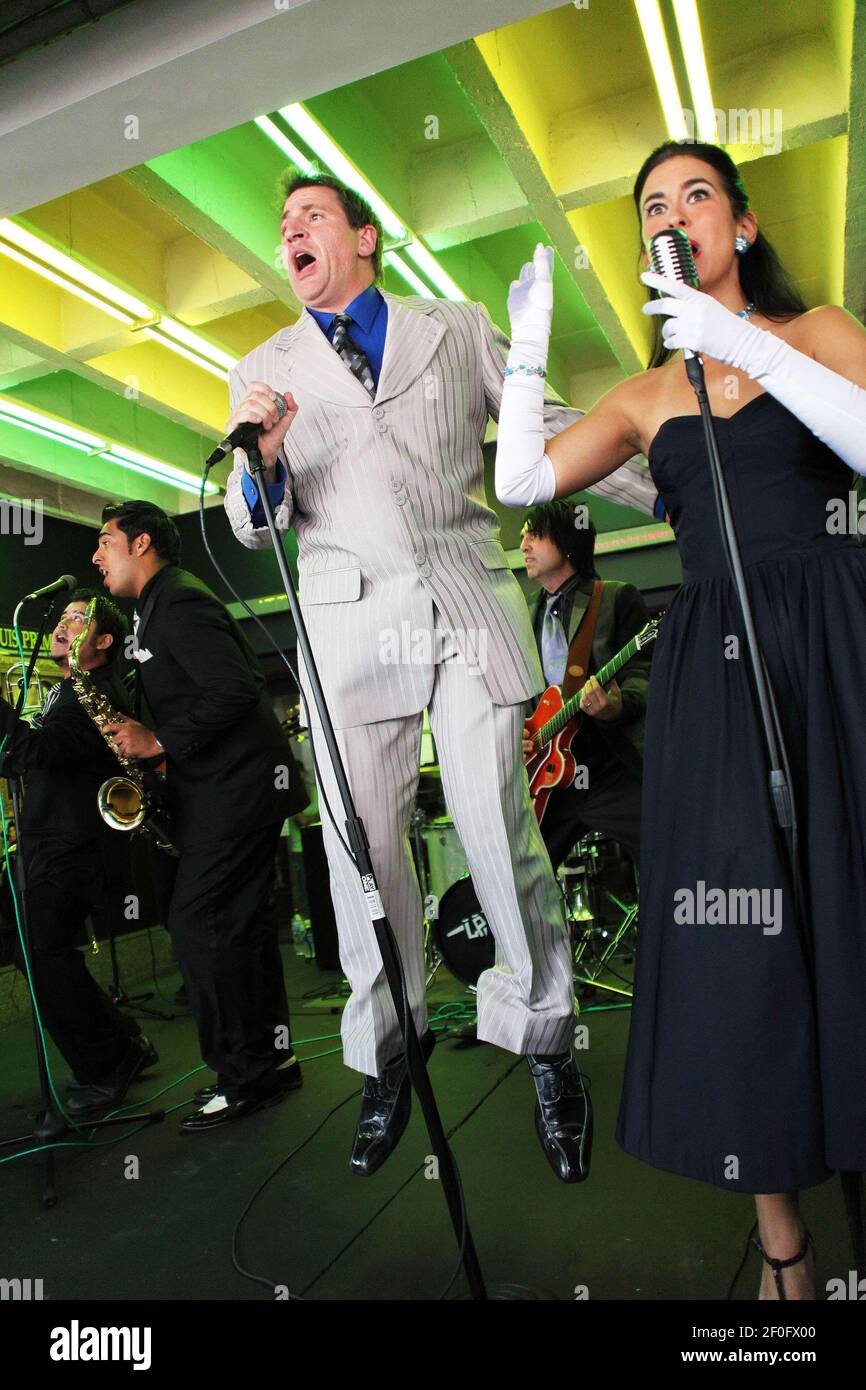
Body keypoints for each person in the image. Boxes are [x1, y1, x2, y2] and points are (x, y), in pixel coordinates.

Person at [221, 168, 659, 1183]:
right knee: (359, 853)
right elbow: (251, 523)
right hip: (346, 623)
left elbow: (545, 421)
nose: (291, 229)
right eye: (281, 221)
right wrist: (266, 461)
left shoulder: (453, 328)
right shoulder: (265, 363)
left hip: (462, 599)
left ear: (363, 237)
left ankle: (545, 1038)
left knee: (496, 827)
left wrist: (668, 460)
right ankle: (387, 1054)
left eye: (312, 215)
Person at [494, 139, 866, 1299]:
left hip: (832, 637)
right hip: (715, 671)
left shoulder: (814, 332)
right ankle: (784, 1250)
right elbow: (519, 484)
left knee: (847, 910)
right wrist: (526, 349)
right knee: (736, 948)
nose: (673, 211)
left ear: (740, 226)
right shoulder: (646, 397)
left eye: (694, 193)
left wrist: (743, 343)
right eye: (652, 202)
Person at [92, 501, 308, 1133]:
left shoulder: (178, 600)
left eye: (105, 541)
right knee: (236, 926)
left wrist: (159, 742)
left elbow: (237, 688)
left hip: (235, 793)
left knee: (200, 923)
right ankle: (270, 1061)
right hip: (229, 792)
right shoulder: (155, 607)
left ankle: (244, 1077)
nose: (95, 554)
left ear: (142, 544)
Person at [0, 591, 157, 1120]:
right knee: (46, 955)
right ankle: (123, 1044)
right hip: (54, 843)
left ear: (104, 642)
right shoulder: (68, 692)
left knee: (44, 958)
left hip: (68, 848)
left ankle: (109, 1063)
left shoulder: (96, 695)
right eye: (63, 616)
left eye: (77, 619)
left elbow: (31, 753)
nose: (62, 624)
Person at [520, 500, 649, 870]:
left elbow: (643, 671)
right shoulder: (524, 613)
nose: (524, 544)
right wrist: (521, 732)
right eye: (523, 536)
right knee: (527, 877)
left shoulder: (613, 598)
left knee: (667, 854)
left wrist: (618, 704)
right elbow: (522, 697)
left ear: (567, 541)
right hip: (547, 779)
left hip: (608, 766)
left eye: (534, 534)